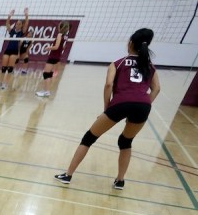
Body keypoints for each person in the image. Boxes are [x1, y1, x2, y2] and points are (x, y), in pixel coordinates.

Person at [53, 28, 160, 190]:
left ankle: (68, 175)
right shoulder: (150, 66)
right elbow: (157, 89)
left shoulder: (119, 63)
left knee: (89, 138)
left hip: (120, 103)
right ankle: (120, 180)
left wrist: (107, 108)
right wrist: (144, 103)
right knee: (125, 141)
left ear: (130, 43)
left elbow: (109, 84)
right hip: (143, 106)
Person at [0, 8, 29, 90]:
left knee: (10, 68)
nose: (17, 25)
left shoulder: (21, 33)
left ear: (21, 26)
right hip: (8, 50)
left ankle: (5, 84)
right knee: (3, 68)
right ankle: (0, 83)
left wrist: (26, 15)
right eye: (17, 24)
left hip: (14, 52)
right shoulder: (12, 31)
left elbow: (26, 24)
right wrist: (9, 16)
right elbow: (7, 24)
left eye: (19, 24)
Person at [36, 21, 71, 97]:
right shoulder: (66, 36)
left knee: (46, 74)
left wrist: (48, 48)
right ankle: (45, 90)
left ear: (60, 27)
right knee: (50, 74)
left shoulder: (60, 35)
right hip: (57, 56)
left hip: (53, 56)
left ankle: (47, 91)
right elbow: (63, 47)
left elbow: (56, 47)